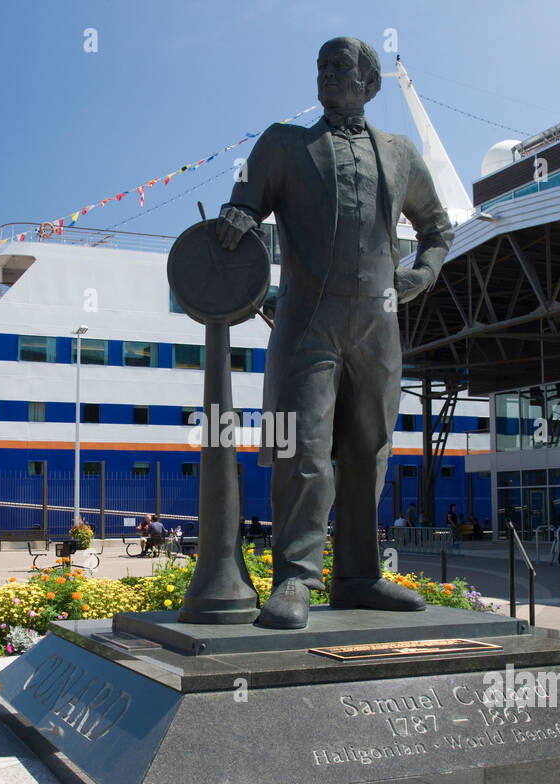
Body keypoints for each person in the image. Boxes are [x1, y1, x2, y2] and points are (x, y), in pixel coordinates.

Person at [215, 37, 452, 629]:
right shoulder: (283, 144)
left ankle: (359, 576)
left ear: (370, 85)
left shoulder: (398, 152)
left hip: (379, 322)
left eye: (339, 67)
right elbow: (241, 205)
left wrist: (421, 273)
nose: (325, 74)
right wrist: (239, 215)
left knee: (368, 450)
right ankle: (295, 579)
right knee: (302, 446)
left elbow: (438, 227)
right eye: (320, 65)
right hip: (306, 321)